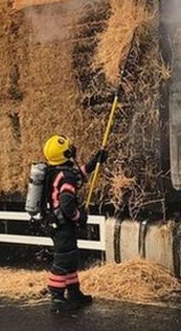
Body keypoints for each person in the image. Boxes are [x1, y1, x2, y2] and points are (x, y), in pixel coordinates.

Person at [41, 134, 107, 313]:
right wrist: (80, 217)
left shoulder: (58, 171)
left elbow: (79, 174)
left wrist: (95, 161)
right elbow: (67, 204)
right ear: (66, 152)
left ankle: (74, 292)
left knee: (70, 257)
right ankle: (56, 296)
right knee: (63, 258)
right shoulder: (66, 176)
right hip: (62, 225)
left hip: (57, 223)